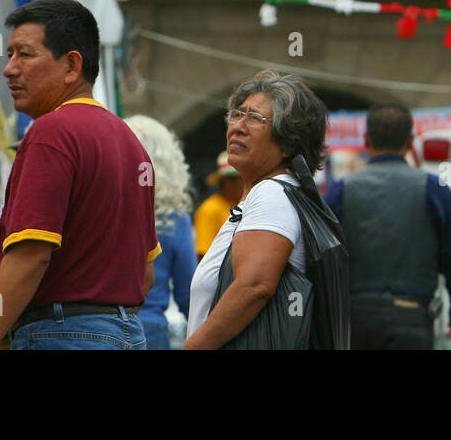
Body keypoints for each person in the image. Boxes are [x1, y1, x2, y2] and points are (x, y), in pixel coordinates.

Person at [0, 0, 158, 350]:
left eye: (24, 55)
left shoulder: (51, 131)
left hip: (62, 336)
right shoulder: (132, 144)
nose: (9, 69)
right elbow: (144, 276)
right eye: (8, 55)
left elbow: (30, 256)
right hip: (127, 335)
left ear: (72, 65)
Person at [184, 70, 335, 349]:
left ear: (288, 141)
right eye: (237, 114)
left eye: (254, 118)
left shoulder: (272, 193)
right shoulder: (268, 194)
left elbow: (254, 287)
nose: (238, 126)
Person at [324, 103, 451, 349]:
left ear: (366, 139)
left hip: (354, 319)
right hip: (412, 317)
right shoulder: (433, 190)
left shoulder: (340, 191)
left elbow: (320, 255)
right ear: (410, 141)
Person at [126, 114, 197, 350]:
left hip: (100, 326)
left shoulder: (101, 210)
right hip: (150, 330)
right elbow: (189, 294)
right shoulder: (174, 219)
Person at [194, 152, 244, 259]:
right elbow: (203, 255)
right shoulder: (209, 209)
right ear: (227, 181)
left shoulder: (243, 205)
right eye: (242, 178)